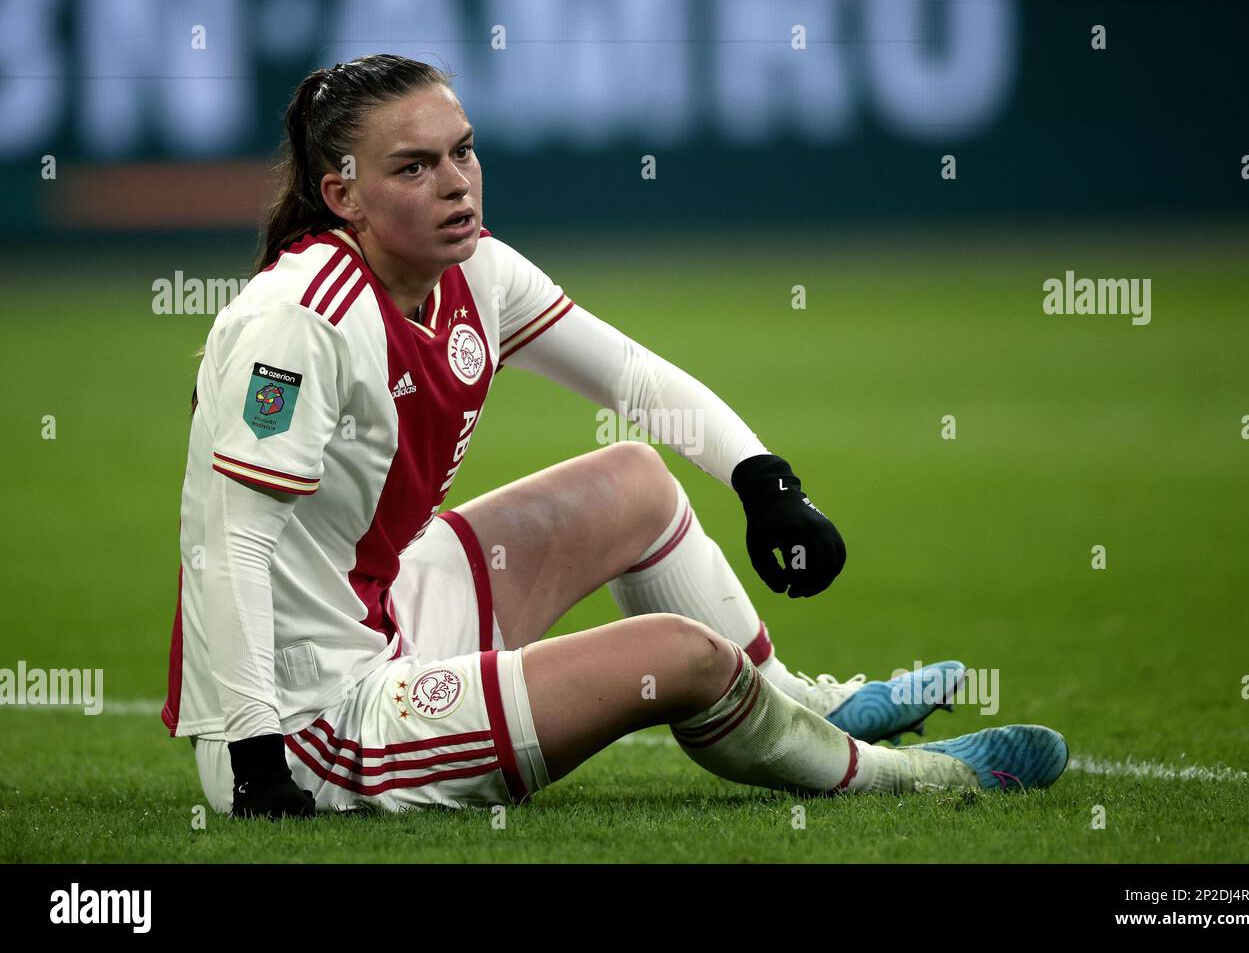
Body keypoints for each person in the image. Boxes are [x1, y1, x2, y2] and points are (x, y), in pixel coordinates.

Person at [162, 54, 1067, 818]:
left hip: (390, 613)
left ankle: (799, 700)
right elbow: (229, 542)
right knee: (677, 656)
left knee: (635, 478)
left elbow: (633, 380)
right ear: (341, 196)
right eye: (415, 167)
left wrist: (766, 482)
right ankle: (910, 777)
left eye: (464, 152)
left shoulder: (472, 268)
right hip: (311, 716)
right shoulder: (300, 318)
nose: (456, 182)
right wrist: (255, 761)